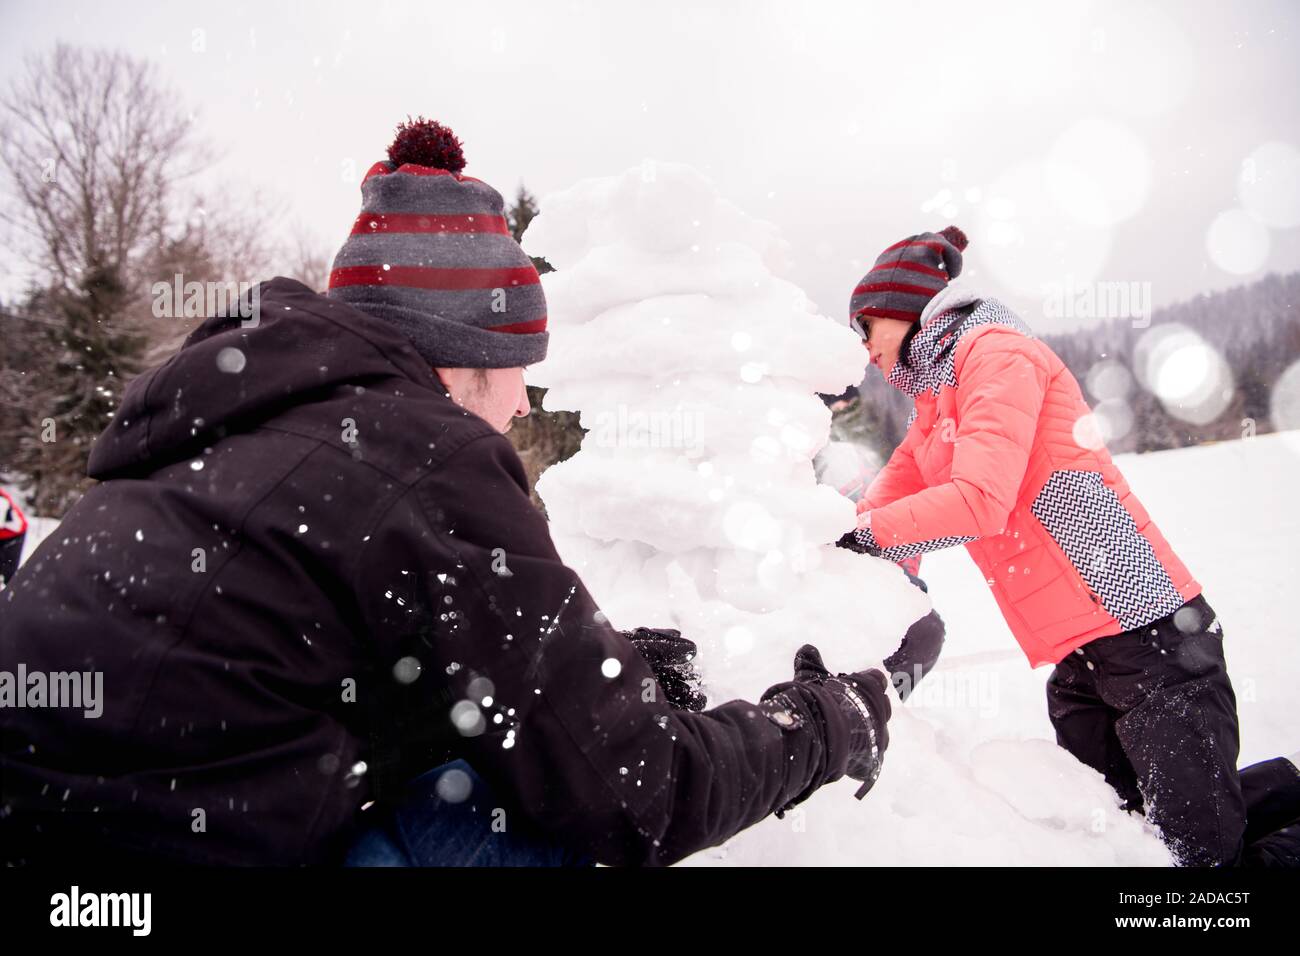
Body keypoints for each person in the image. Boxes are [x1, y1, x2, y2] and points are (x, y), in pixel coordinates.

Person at [0, 118, 895, 868]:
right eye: (515, 372)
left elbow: (313, 671)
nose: (518, 403)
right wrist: (817, 725)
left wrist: (593, 673)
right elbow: (640, 797)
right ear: (464, 358)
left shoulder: (228, 425)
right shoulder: (422, 454)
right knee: (523, 825)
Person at [838, 225, 1296, 867]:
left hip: (1155, 638)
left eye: (866, 327)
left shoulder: (997, 356)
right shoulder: (937, 404)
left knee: (1204, 880)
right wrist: (834, 550)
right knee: (1130, 837)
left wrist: (862, 540)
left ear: (906, 309)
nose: (862, 347)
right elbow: (887, 504)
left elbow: (979, 501)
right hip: (1082, 660)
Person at [0, 489, 26, 589]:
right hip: (3, 534)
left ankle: (10, 597)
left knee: (8, 571)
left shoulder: (1, 501)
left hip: (14, 535)